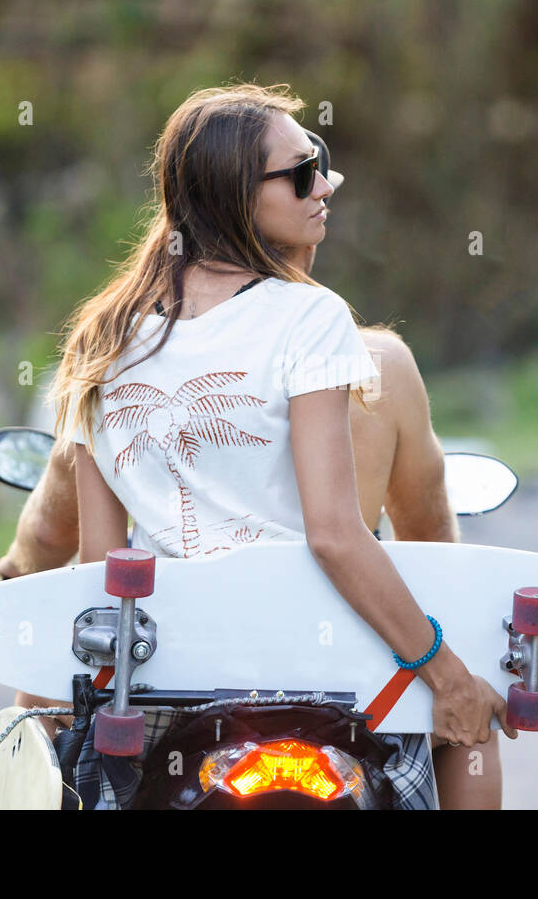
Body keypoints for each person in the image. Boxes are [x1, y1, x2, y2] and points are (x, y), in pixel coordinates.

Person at [37, 83, 514, 809]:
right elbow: (333, 533)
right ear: (233, 193)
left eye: (318, 162)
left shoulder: (99, 339)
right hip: (320, 662)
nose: (324, 185)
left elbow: (105, 567)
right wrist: (448, 677)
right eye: (299, 173)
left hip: (165, 681)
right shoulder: (308, 317)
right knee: (472, 727)